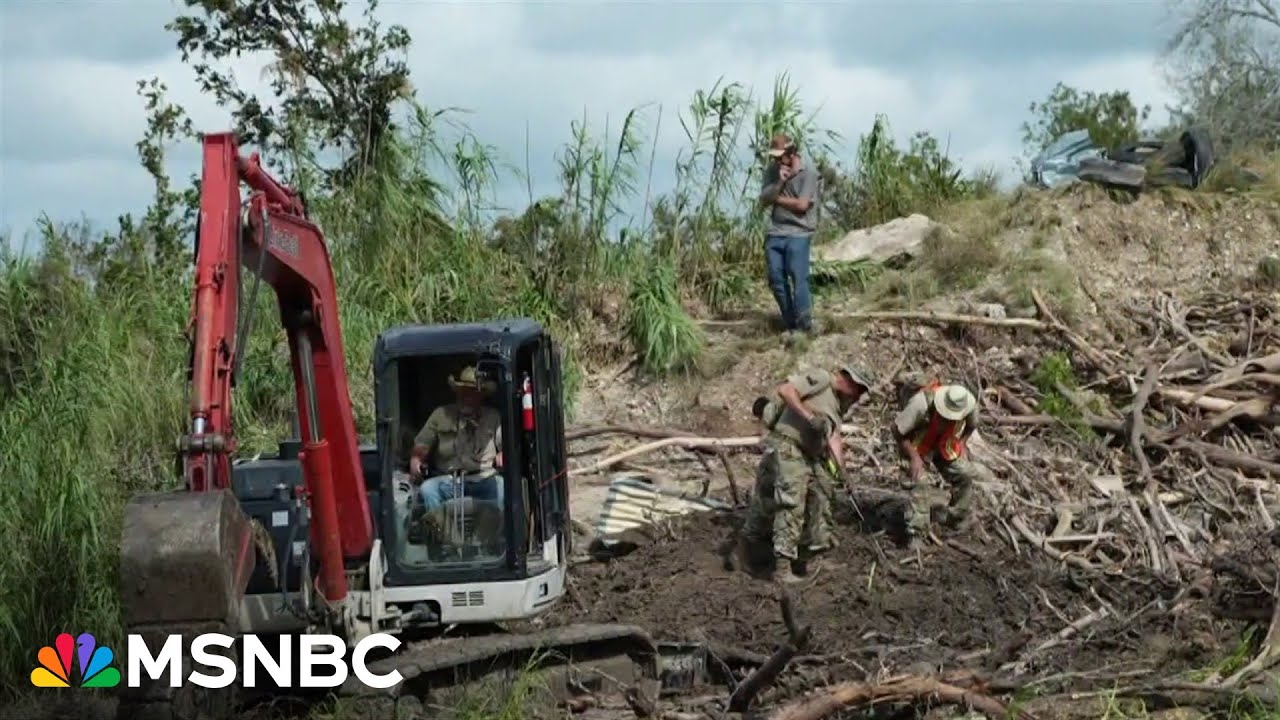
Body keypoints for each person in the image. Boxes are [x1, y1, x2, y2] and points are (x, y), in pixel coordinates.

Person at [736, 364, 873, 583]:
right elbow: (786, 391)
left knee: (823, 495)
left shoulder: (840, 404)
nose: (859, 396)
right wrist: (809, 417)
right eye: (859, 390)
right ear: (849, 381)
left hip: (812, 454)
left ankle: (814, 555)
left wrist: (842, 471)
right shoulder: (821, 379)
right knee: (790, 503)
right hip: (789, 446)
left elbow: (834, 436)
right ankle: (781, 566)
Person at [890, 373, 995, 549]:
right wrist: (914, 458)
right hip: (916, 444)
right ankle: (915, 534)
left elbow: (971, 425)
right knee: (921, 482)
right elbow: (897, 430)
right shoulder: (921, 403)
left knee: (964, 475)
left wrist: (962, 444)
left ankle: (956, 518)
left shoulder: (968, 405)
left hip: (944, 443)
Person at [409, 366, 504, 512]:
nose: (467, 397)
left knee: (501, 487)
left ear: (481, 395)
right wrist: (416, 460)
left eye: (472, 392)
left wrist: (501, 456)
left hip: (483, 478)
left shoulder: (493, 416)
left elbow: (506, 447)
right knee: (428, 489)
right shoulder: (441, 415)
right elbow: (421, 446)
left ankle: (498, 534)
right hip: (450, 480)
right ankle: (439, 532)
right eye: (463, 391)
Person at [758, 133, 821, 335]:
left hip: (799, 232)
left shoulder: (809, 173)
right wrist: (779, 184)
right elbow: (763, 198)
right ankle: (791, 323)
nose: (776, 160)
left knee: (798, 278)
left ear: (791, 152)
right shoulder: (772, 171)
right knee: (776, 279)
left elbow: (802, 205)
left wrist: (776, 199)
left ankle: (805, 325)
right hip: (776, 232)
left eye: (780, 156)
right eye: (774, 157)